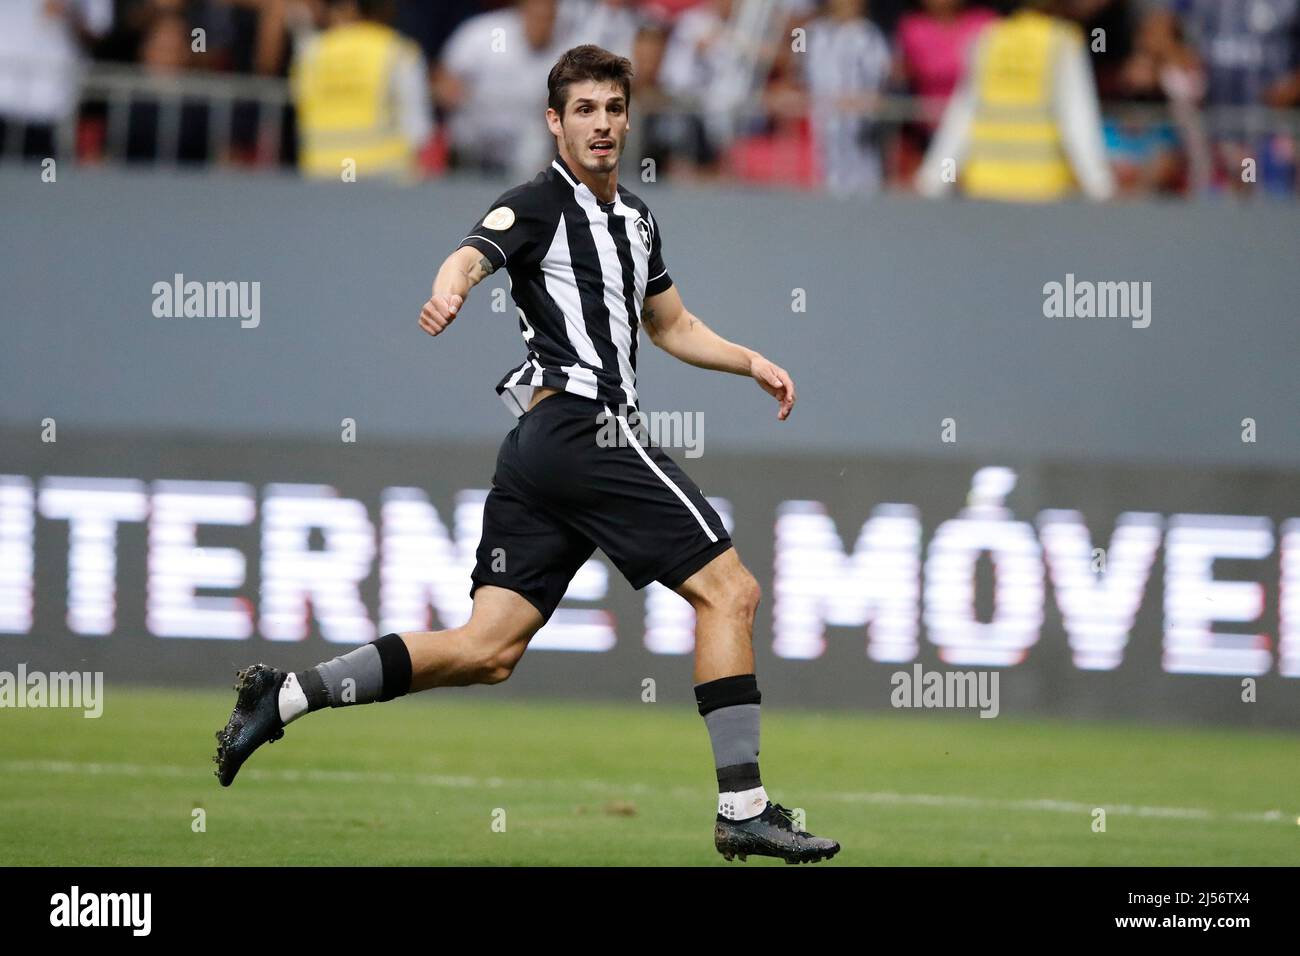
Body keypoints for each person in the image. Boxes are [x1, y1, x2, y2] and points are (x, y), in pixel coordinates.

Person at [214, 42, 840, 866]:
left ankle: (287, 696)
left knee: (487, 650)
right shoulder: (539, 203)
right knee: (732, 592)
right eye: (584, 110)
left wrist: (749, 359)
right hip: (586, 427)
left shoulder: (639, 220)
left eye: (614, 109)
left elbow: (670, 323)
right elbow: (474, 252)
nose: (603, 124)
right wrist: (452, 288)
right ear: (555, 123)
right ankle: (743, 808)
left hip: (541, 454)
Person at [916, 0, 1116, 201]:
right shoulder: (1062, 40)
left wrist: (933, 181)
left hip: (985, 187)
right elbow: (1077, 119)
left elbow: (960, 120)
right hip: (1043, 188)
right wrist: (1101, 187)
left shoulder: (987, 38)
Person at [290, 0, 431, 181]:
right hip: (383, 174)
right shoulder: (397, 52)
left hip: (322, 171)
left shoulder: (312, 51)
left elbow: (301, 103)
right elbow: (416, 128)